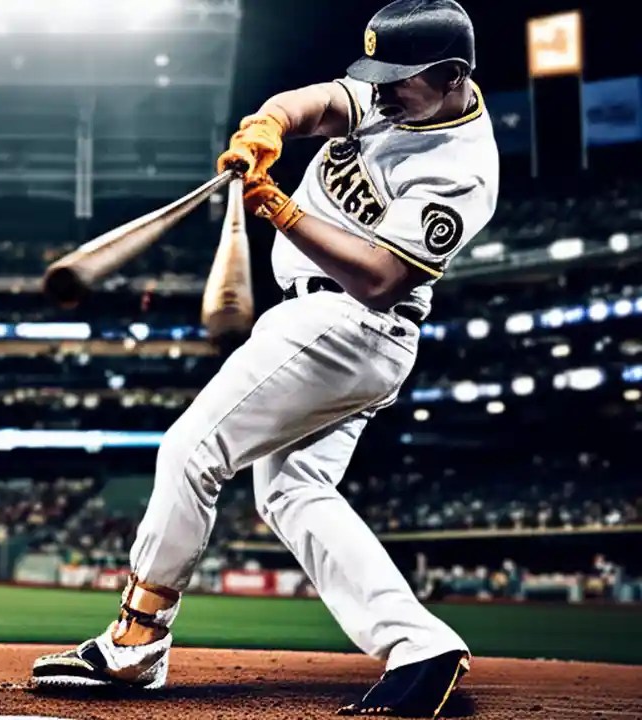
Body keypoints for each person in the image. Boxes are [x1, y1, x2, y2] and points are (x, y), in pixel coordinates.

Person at [31, 1, 496, 716]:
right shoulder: (395, 94)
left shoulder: (461, 167)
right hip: (328, 324)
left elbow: (380, 278)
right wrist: (268, 126)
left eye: (399, 80)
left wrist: (281, 210)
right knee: (291, 491)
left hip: (351, 320)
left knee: (192, 448)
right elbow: (315, 104)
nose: (382, 91)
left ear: (451, 75)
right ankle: (420, 646)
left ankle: (136, 640)